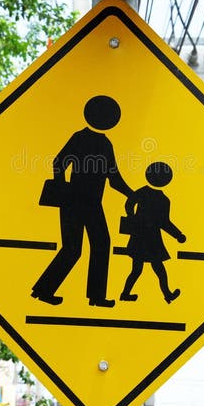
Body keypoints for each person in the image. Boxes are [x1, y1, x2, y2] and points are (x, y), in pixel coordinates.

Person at [32, 95, 132, 307]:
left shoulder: (100, 142)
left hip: (85, 202)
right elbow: (59, 162)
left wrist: (132, 195)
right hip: (80, 202)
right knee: (86, 246)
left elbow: (113, 179)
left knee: (83, 246)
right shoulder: (91, 140)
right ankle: (51, 291)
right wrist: (63, 187)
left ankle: (47, 290)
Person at [120, 161, 186, 303]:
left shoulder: (152, 195)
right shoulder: (162, 199)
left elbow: (130, 203)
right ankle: (165, 294)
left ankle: (127, 294)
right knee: (152, 269)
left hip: (147, 238)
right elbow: (165, 222)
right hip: (147, 238)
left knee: (143, 269)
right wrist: (178, 235)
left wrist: (177, 235)